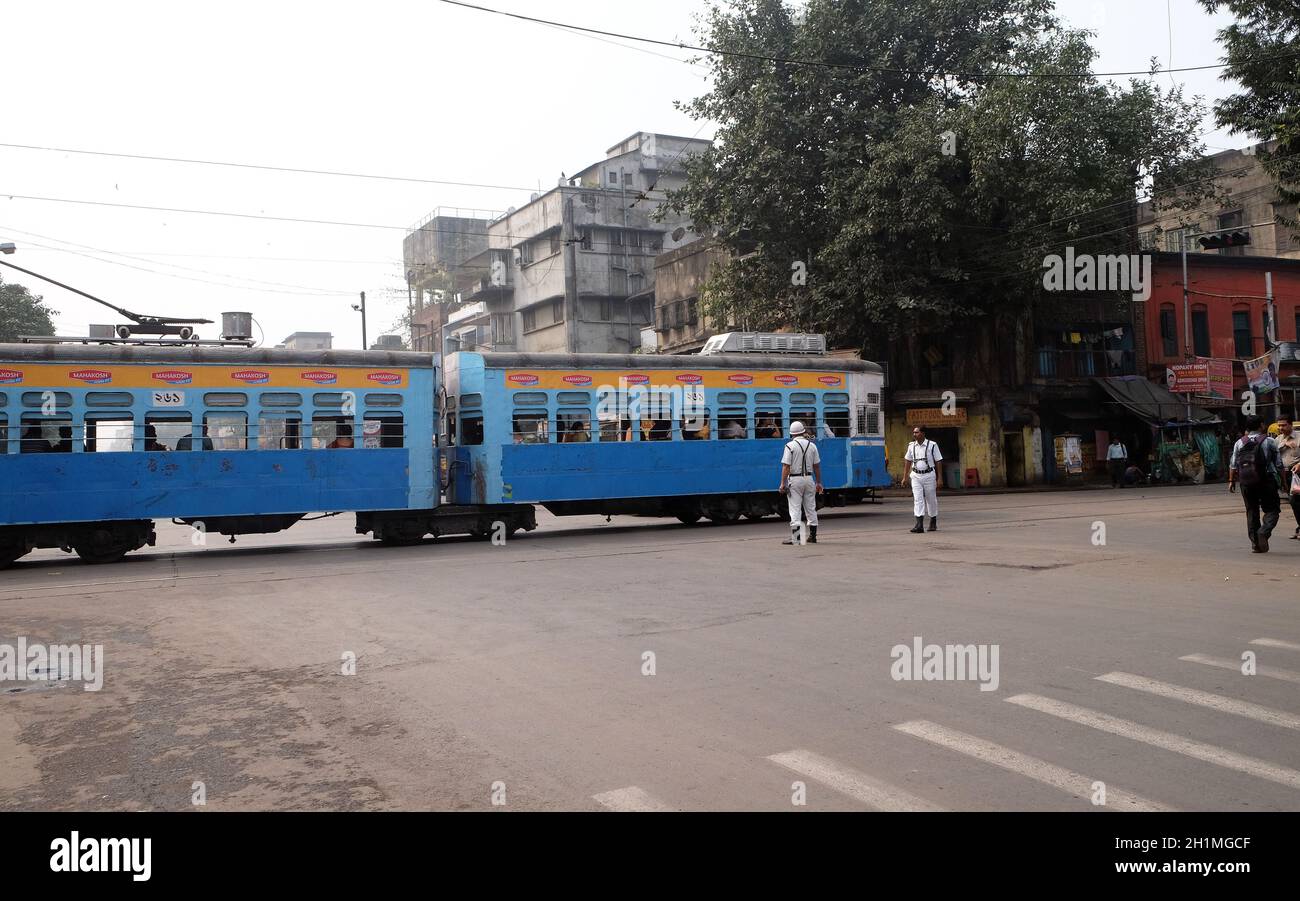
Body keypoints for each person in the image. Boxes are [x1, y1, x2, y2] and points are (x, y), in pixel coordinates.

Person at [1229, 414, 1283, 553]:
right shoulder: (1269, 441)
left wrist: (1231, 481)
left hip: (1246, 482)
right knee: (1273, 509)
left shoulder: (1240, 442)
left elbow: (1233, 465)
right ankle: (1263, 532)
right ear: (1261, 425)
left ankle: (1255, 545)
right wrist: (1283, 482)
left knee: (1251, 511)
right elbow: (1279, 465)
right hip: (1266, 480)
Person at [779, 420, 822, 545]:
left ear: (792, 434)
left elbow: (786, 467)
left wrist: (782, 483)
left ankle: (797, 538)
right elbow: (817, 466)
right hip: (809, 479)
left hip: (795, 480)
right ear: (803, 432)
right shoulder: (812, 446)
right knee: (811, 508)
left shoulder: (789, 446)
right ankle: (813, 536)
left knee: (795, 509)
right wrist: (819, 482)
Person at [901, 425, 942, 533]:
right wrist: (905, 477)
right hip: (915, 476)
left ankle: (933, 522)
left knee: (931, 499)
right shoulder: (911, 446)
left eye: (917, 432)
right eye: (914, 432)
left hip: (929, 475)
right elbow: (907, 461)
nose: (914, 434)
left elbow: (938, 461)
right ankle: (919, 524)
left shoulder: (932, 445)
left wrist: (940, 478)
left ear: (923, 433)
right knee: (918, 499)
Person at [1275, 415, 1300, 539]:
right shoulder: (1278, 439)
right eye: (1279, 425)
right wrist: (1283, 444)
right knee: (1294, 502)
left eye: (1284, 425)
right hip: (1284, 475)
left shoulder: (1299, 436)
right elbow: (1272, 454)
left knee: (1294, 501)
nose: (1281, 428)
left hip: (1297, 474)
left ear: (1290, 425)